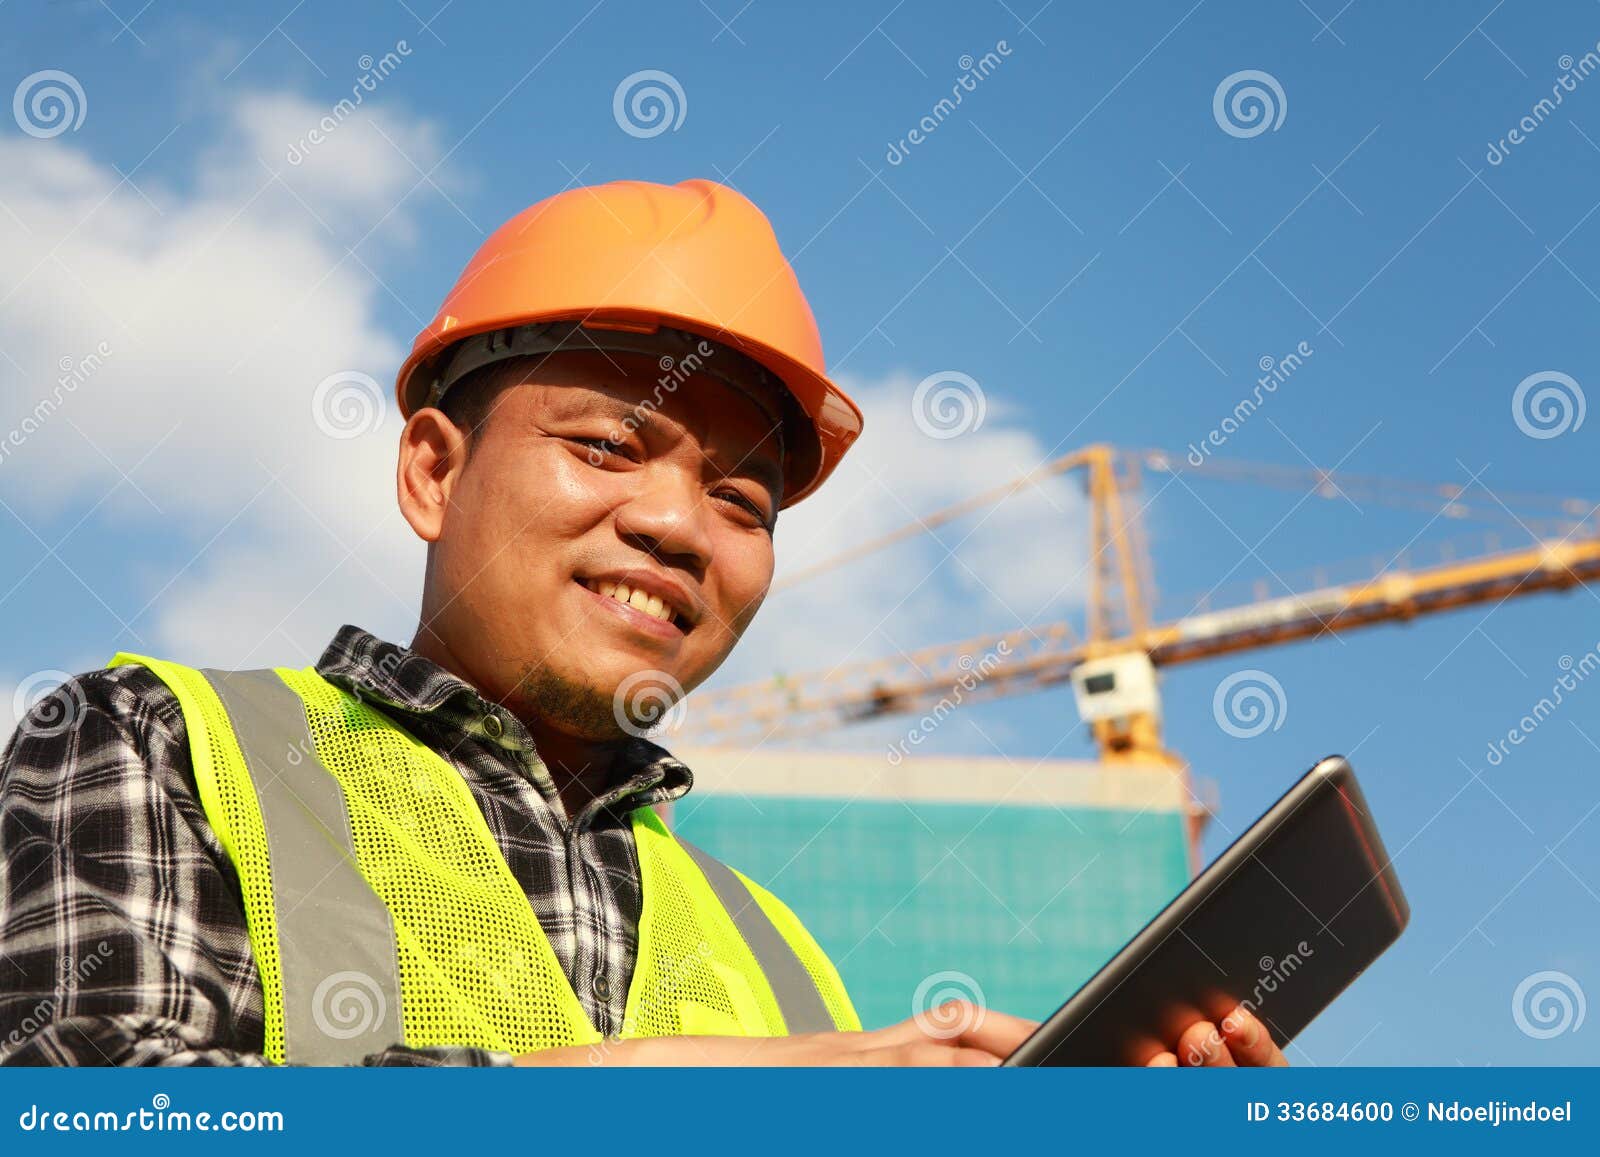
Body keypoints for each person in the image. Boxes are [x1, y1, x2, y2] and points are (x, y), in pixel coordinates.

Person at [0, 178, 1283, 1067]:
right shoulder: (162, 741)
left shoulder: (781, 957)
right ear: (434, 470)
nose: (677, 524)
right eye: (610, 445)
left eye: (741, 500)